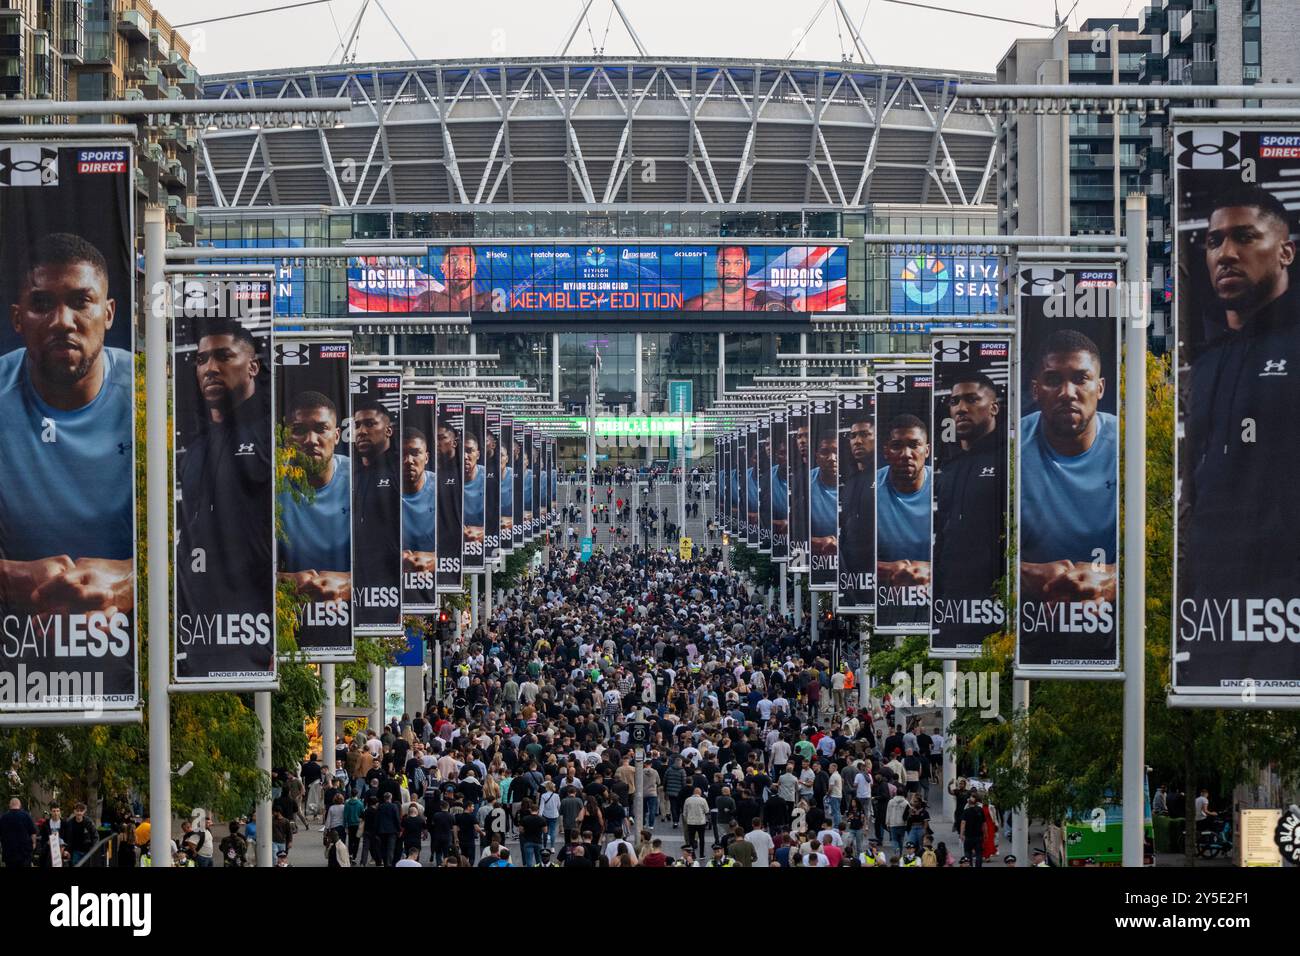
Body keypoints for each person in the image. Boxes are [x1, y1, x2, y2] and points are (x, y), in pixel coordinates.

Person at [1181, 184, 1300, 655]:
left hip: (1286, 607)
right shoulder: (1207, 364)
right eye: (1214, 242)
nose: (1226, 253)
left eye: (1245, 237)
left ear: (1285, 251)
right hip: (1212, 614)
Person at [0, 233, 133, 621]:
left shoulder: (151, 395)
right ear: (17, 317)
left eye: (80, 301)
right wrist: (14, 579)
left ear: (108, 313)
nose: (63, 322)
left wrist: (128, 579)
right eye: (42, 303)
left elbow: (211, 544)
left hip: (136, 648)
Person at [175, 317, 272, 647]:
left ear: (253, 366)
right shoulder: (195, 449)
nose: (210, 368)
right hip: (197, 615)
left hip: (258, 613)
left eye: (224, 356)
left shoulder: (275, 436)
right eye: (201, 360)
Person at [1018, 329, 1117, 603]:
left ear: (1100, 387)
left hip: (1115, 627)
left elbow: (1166, 552)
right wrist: (1023, 573)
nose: (1067, 393)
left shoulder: (1131, 447)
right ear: (1036, 389)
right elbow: (974, 553)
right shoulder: (1008, 448)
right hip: (1028, 624)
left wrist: (1114, 580)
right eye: (1053, 380)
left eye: (1080, 379)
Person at [933, 371, 1004, 640]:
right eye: (954, 402)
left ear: (994, 407)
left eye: (972, 399)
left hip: (995, 602)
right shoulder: (950, 467)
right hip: (952, 602)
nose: (961, 408)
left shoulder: (1010, 459)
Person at [278, 392, 352, 604]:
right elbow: (243, 568)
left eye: (321, 429)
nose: (311, 440)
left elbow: (385, 565)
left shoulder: (359, 483)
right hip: (285, 619)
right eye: (300, 430)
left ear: (337, 436)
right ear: (286, 437)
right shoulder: (269, 484)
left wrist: (346, 583)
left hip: (349, 619)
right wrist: (288, 582)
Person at [875, 414, 932, 590]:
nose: (906, 454)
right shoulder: (868, 490)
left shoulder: (947, 485)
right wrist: (888, 570)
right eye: (897, 446)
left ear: (927, 451)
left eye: (914, 445)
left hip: (938, 600)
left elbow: (972, 553)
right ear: (885, 452)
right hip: (883, 599)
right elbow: (847, 556)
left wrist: (933, 571)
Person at [352, 397, 401, 602]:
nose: (362, 431)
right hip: (355, 581)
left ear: (388, 430)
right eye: (357, 425)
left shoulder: (400, 470)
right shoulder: (350, 471)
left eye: (370, 424)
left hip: (389, 582)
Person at [683, 245, 788, 312]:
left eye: (738, 263)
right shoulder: (695, 305)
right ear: (716, 265)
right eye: (724, 263)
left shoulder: (766, 301)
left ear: (748, 265)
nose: (731, 270)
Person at [400, 426, 437, 576]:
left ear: (426, 458)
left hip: (432, 579)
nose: (409, 461)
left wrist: (433, 559)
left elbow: (457, 543)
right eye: (403, 454)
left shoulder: (442, 490)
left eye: (415, 453)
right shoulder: (381, 489)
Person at [463, 430, 486, 548]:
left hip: (482, 544)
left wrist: (485, 532)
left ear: (477, 454)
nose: (464, 456)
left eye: (469, 451)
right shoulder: (443, 478)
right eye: (461, 451)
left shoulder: (489, 478)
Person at [959, 794, 986, 868]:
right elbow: (984, 824)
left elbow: (963, 823)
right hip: (978, 836)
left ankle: (968, 865)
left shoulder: (966, 811)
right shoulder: (980, 810)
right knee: (979, 854)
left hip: (968, 836)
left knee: (967, 853)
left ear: (969, 802)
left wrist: (961, 834)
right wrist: (985, 834)